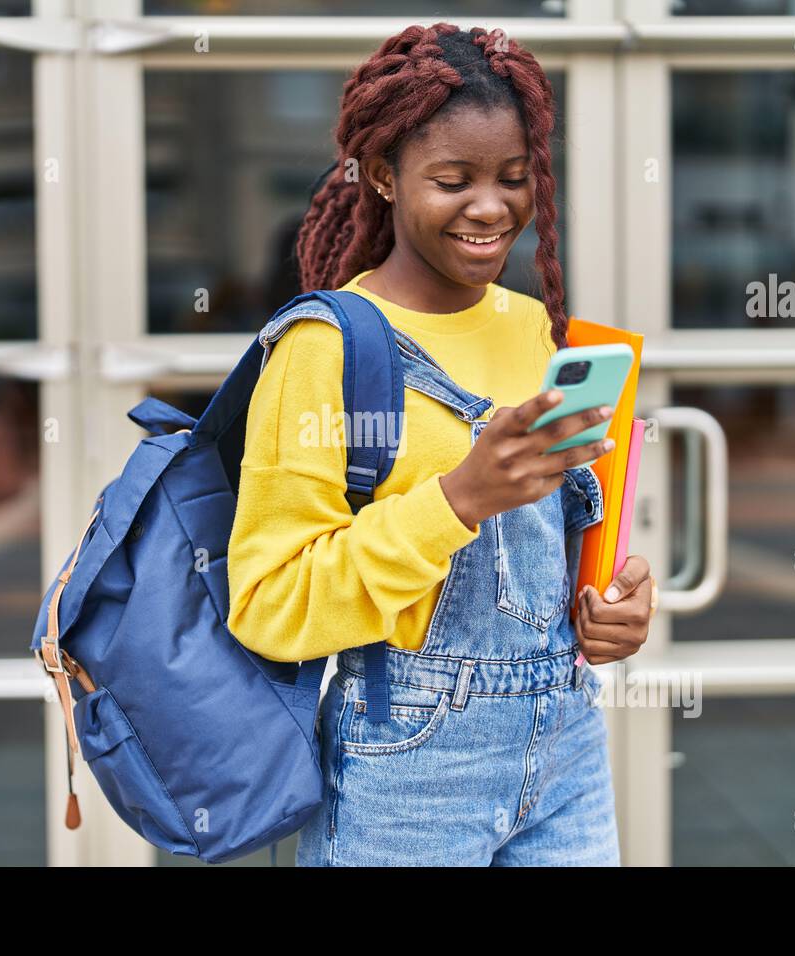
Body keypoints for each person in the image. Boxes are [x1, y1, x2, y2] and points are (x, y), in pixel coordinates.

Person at [227, 22, 654, 867]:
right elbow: (271, 606)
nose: (491, 208)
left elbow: (550, 563)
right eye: (452, 180)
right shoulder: (328, 347)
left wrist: (613, 607)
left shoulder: (538, 328)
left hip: (564, 745)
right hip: (406, 769)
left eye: (514, 178)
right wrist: (458, 499)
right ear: (383, 176)